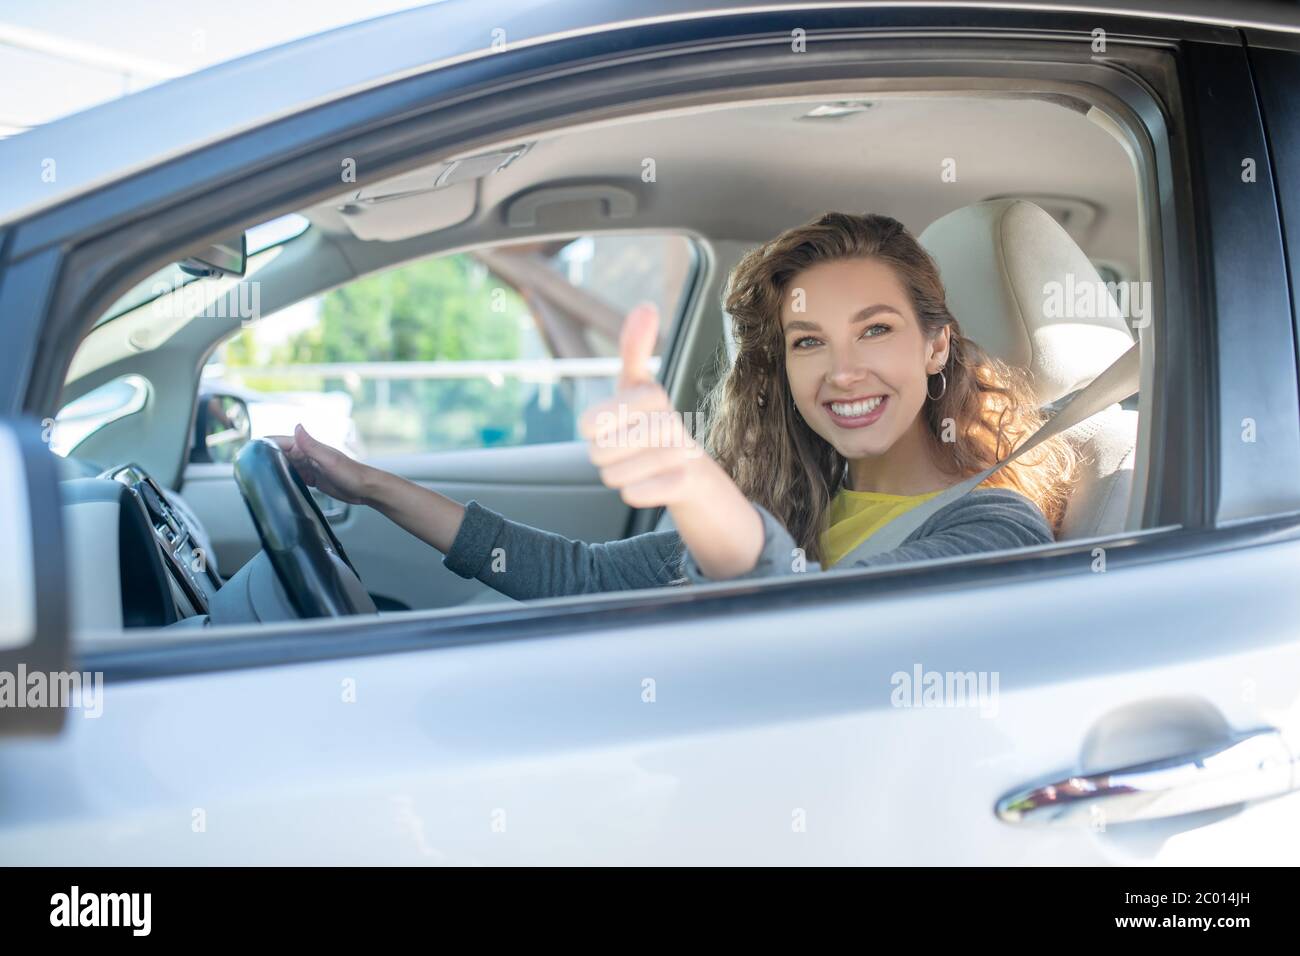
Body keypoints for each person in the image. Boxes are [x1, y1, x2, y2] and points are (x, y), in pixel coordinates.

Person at [274, 212, 1078, 600]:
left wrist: (692, 482)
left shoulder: (994, 530)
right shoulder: (805, 496)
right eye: (807, 342)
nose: (843, 372)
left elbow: (803, 612)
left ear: (936, 345)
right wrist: (373, 487)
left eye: (875, 331)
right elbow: (576, 575)